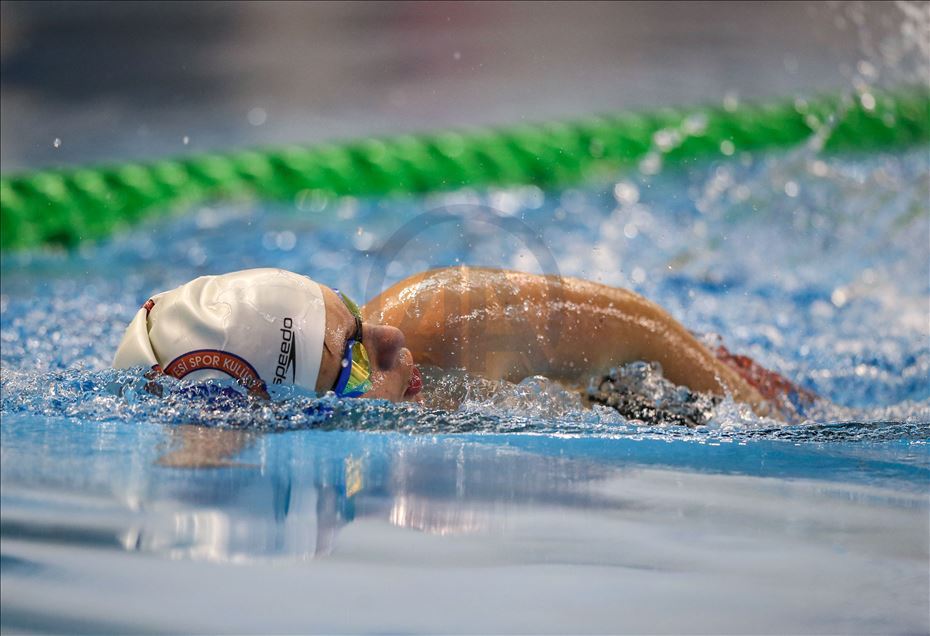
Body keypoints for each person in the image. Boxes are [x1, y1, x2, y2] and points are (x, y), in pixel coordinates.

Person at [114, 267, 813, 419]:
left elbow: (638, 323)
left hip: (651, 370)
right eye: (354, 359)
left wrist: (763, 415)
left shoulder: (439, 318)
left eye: (354, 316)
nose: (390, 339)